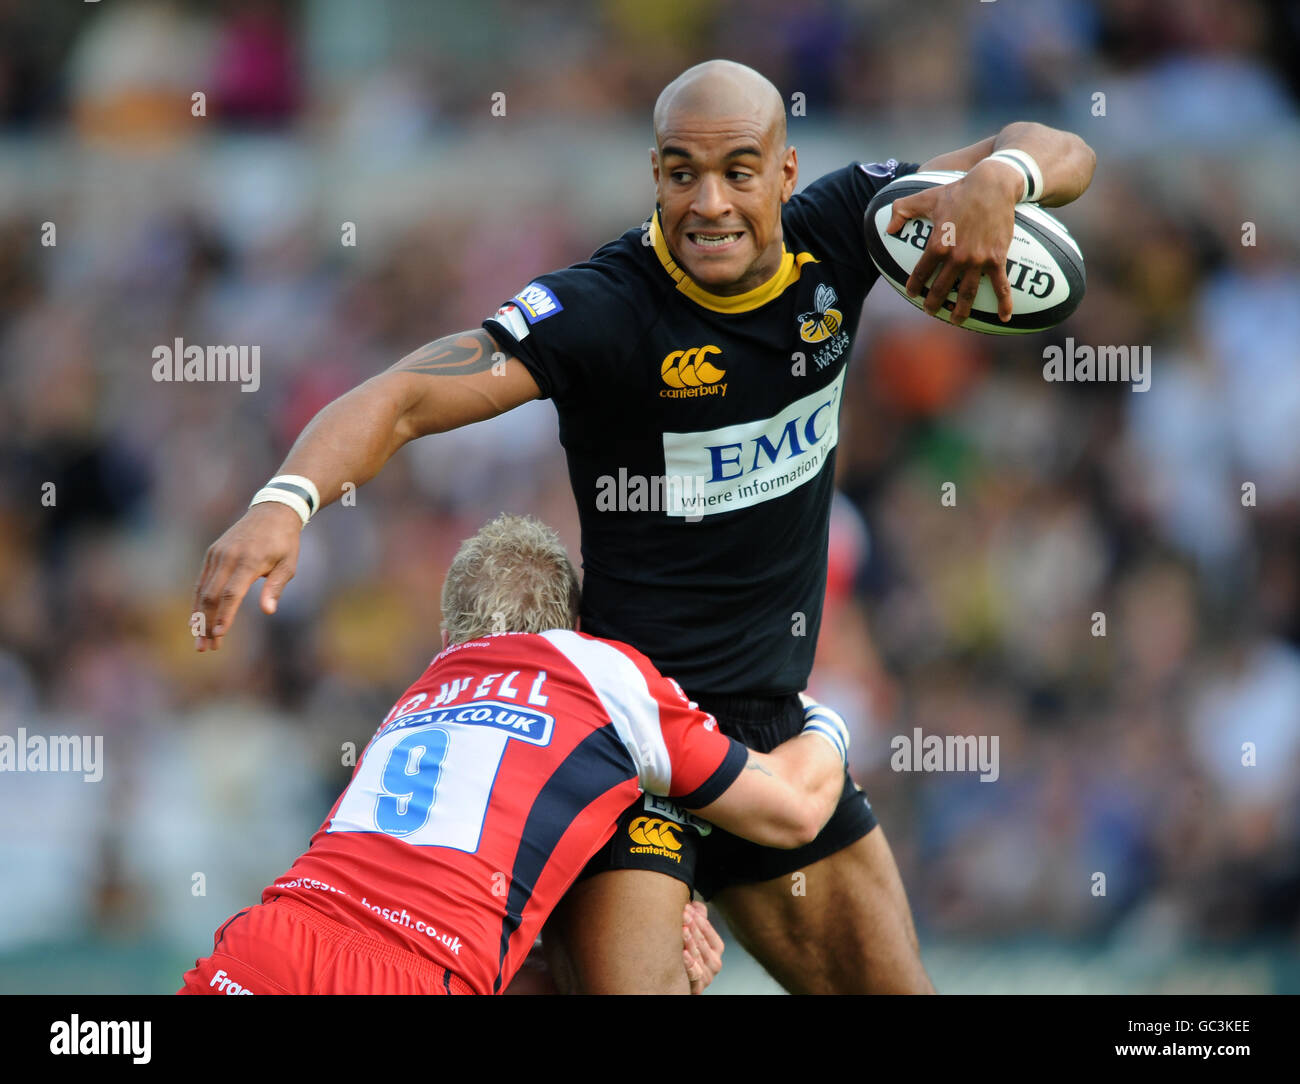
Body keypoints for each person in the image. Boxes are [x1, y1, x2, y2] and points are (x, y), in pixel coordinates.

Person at [191, 59, 1096, 993]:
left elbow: (1063, 149)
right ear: (653, 175)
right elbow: (408, 397)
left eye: (739, 171)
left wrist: (1001, 179)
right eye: (679, 173)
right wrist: (284, 501)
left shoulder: (847, 229)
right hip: (629, 749)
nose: (709, 202)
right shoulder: (604, 308)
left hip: (766, 728)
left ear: (785, 175)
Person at [179, 514, 851, 995]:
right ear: (573, 626)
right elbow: (793, 812)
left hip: (271, 939)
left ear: (448, 634)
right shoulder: (600, 669)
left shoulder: (418, 694)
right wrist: (813, 713)